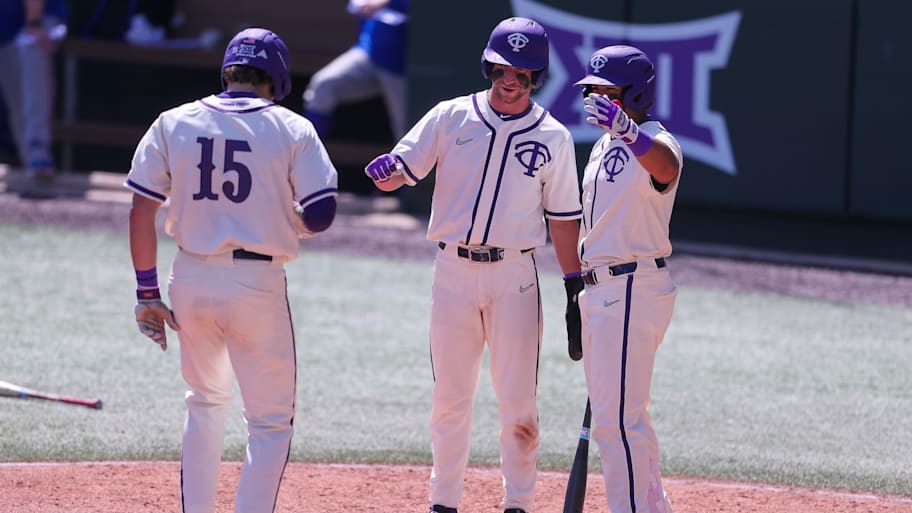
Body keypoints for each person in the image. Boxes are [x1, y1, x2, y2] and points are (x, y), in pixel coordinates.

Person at [364, 17, 583, 513]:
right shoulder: (451, 116)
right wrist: (387, 173)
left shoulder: (553, 137)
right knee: (450, 399)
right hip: (453, 273)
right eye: (503, 68)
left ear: (537, 77)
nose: (510, 79)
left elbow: (564, 220)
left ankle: (519, 504)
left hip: (515, 278)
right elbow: (402, 169)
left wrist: (574, 287)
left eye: (522, 72)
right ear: (488, 65)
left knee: (518, 404)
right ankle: (443, 503)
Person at [125, 27, 339, 513]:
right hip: (256, 283)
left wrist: (146, 292)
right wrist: (287, 223)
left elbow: (141, 210)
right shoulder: (291, 127)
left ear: (227, 71)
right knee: (268, 422)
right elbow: (321, 212)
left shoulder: (173, 120)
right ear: (277, 79)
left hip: (190, 276)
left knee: (204, 403)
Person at [571, 45, 684, 513]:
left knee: (617, 424)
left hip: (632, 286)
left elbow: (666, 167)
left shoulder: (655, 139)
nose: (597, 99)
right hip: (603, 290)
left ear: (635, 94)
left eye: (608, 92)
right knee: (625, 418)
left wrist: (628, 130)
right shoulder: (602, 145)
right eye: (593, 91)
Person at [302, 0, 409, 139]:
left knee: (408, 133)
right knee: (322, 86)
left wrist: (388, 3)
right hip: (369, 55)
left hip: (404, 68)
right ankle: (307, 151)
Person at [0, 0, 68, 182]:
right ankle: (29, 160)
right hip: (5, 25)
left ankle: (38, 154)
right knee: (17, 105)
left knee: (32, 50)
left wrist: (34, 22)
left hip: (38, 19)